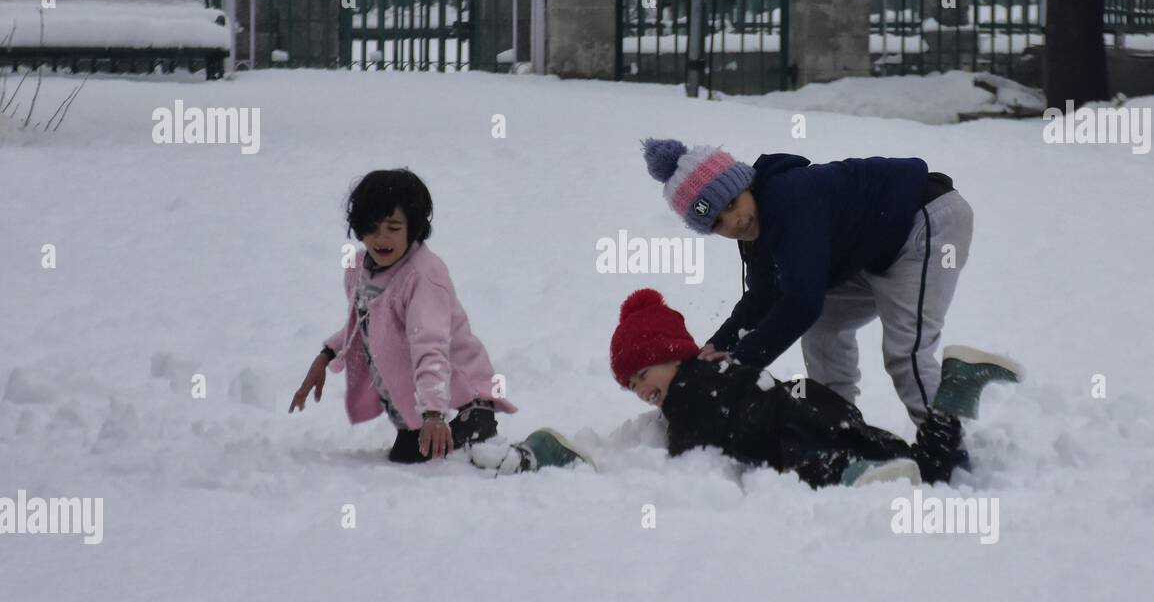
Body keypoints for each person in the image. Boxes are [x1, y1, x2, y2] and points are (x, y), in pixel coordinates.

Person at [640, 137, 976, 468]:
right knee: (824, 326)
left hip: (926, 221)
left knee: (905, 348)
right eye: (717, 223)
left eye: (731, 204)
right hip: (874, 251)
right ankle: (840, 427)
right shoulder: (757, 228)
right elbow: (762, 297)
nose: (734, 222)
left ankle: (942, 445)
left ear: (746, 185)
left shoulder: (789, 198)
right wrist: (715, 351)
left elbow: (802, 302)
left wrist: (739, 364)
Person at [610, 289, 1021, 487]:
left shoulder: (689, 389)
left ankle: (850, 472)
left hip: (786, 424)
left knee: (816, 463)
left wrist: (672, 455)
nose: (641, 390)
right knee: (921, 467)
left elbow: (692, 450)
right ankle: (953, 396)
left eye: (644, 375)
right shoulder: (714, 372)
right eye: (632, 386)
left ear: (673, 356)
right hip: (809, 403)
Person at [289, 168, 517, 463]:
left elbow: (430, 346)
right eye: (372, 228)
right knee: (410, 459)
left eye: (393, 228)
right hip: (423, 407)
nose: (381, 238)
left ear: (413, 227)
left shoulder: (422, 277)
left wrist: (435, 414)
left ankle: (533, 455)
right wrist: (325, 357)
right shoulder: (361, 268)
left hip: (461, 404)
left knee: (469, 466)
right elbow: (365, 323)